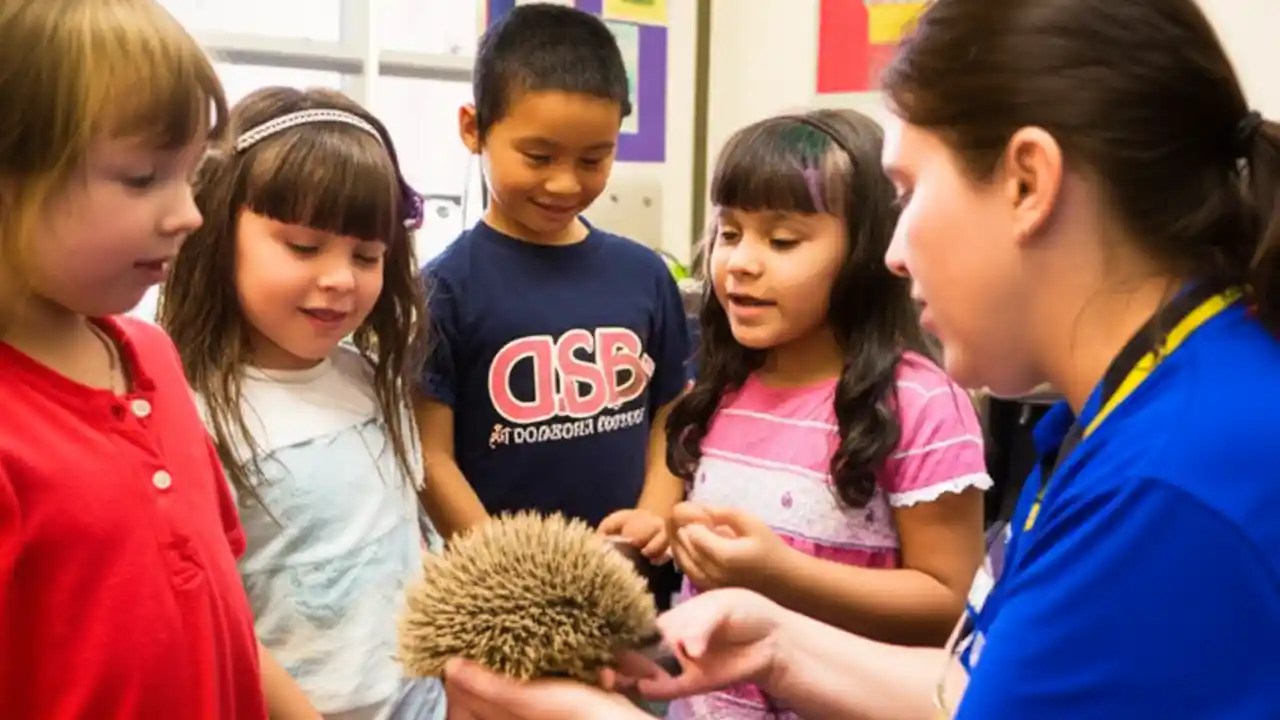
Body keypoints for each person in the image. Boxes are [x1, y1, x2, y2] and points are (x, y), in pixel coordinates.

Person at [440, 0, 1280, 717]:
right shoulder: (1146, 413)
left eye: (908, 194)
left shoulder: (1174, 488)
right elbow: (978, 691)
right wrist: (773, 645)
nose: (896, 253)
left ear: (1028, 182)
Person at [0, 1, 320, 718]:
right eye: (142, 178)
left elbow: (221, 604)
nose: (189, 215)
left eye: (192, 176)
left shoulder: (152, 356)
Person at [662, 109, 989, 719]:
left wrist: (782, 573)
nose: (740, 261)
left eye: (782, 240)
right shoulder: (722, 389)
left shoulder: (916, 402)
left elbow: (948, 603)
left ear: (867, 252)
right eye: (729, 233)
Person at [159, 87, 445, 720]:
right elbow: (211, 613)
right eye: (304, 247)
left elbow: (410, 547)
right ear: (216, 231)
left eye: (367, 255)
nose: (341, 278)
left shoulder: (372, 382)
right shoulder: (188, 413)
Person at [416, 4, 689, 575]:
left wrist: (656, 512)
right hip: (507, 590)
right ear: (473, 129)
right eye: (538, 157)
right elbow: (431, 457)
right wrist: (508, 566)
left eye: (595, 158)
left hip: (632, 576)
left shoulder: (644, 275)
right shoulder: (444, 289)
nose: (565, 182)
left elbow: (670, 409)